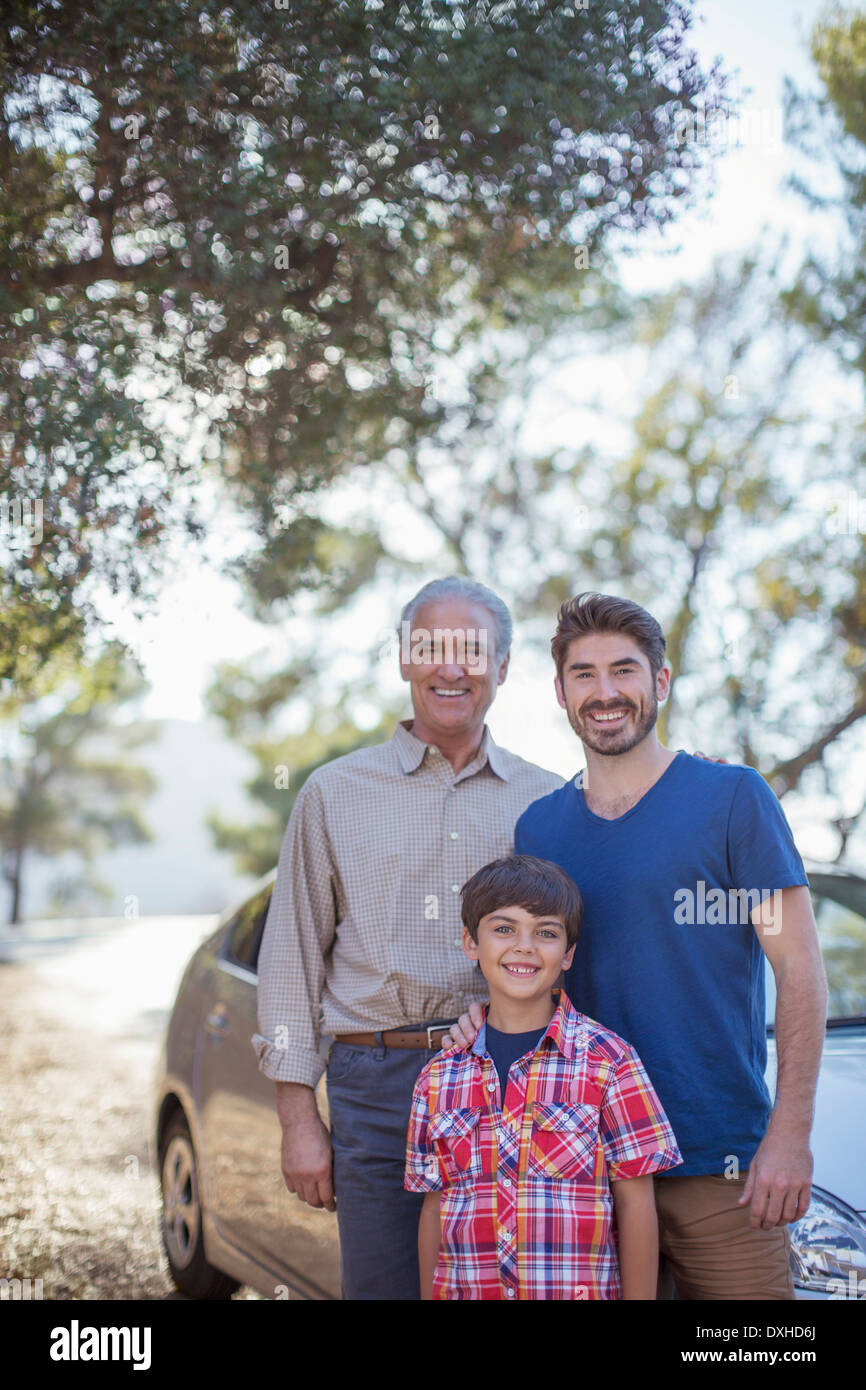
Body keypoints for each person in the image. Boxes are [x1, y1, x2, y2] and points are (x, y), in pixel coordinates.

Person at [444, 592, 828, 1301]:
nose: (606, 691)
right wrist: (485, 1018)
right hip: (584, 1173)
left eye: (624, 669)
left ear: (661, 681)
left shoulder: (733, 799)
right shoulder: (540, 830)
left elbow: (801, 971)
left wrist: (789, 1135)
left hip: (723, 1167)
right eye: (584, 674)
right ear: (560, 691)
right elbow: (533, 974)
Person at [252, 576, 565, 1300]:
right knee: (387, 1288)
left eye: (471, 649)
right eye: (431, 647)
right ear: (403, 658)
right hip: (376, 1083)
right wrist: (299, 1118)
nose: (450, 667)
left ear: (504, 666)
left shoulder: (549, 800)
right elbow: (291, 956)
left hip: (513, 1077)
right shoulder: (333, 793)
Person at [405, 854, 682, 1300]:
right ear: (470, 942)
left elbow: (635, 1205)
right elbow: (434, 1205)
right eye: (503, 928)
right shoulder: (437, 1078)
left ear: (568, 953)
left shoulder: (610, 1063)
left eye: (546, 933)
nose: (524, 946)